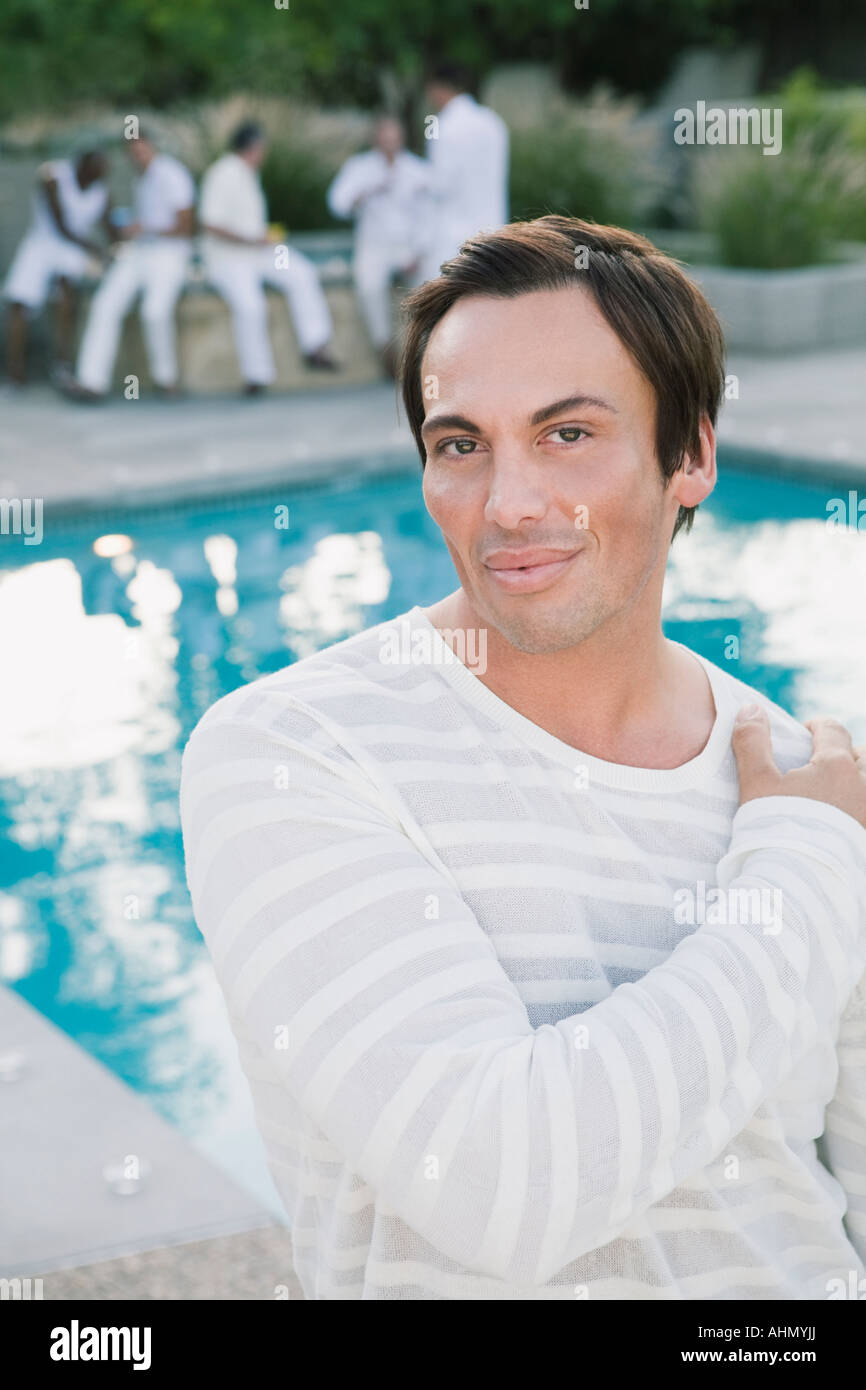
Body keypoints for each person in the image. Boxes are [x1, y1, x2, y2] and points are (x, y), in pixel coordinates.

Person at [180, 216, 866, 1301]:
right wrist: (801, 872)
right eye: (460, 444)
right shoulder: (293, 751)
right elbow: (502, 1190)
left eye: (567, 434)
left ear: (688, 452)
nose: (507, 506)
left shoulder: (795, 776)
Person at [199, 121, 338, 395]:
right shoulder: (222, 173)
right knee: (250, 305)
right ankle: (257, 375)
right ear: (253, 147)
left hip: (258, 252)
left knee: (301, 272)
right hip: (228, 257)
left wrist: (261, 239)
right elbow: (211, 224)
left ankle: (315, 345)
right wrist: (252, 239)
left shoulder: (250, 174)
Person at [60, 132, 195, 401]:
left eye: (141, 149)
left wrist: (144, 227)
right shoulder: (139, 180)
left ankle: (165, 380)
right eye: (132, 151)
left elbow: (186, 227)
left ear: (151, 146)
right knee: (105, 303)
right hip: (140, 251)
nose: (137, 155)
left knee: (154, 310)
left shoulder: (173, 174)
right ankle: (91, 382)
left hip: (170, 253)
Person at [327, 115, 432, 378]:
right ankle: (384, 346)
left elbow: (430, 215)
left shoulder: (417, 169)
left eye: (394, 138)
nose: (389, 143)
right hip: (373, 246)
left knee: (428, 284)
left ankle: (420, 350)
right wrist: (363, 193)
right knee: (369, 286)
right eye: (384, 138)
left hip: (408, 246)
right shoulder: (360, 167)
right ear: (376, 139)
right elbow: (337, 203)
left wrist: (418, 251)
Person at [3, 150, 111, 386]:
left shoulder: (101, 191)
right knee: (19, 304)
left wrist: (119, 247)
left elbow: (110, 225)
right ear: (82, 164)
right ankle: (15, 373)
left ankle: (62, 365)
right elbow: (60, 225)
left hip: (72, 251)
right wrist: (96, 249)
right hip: (41, 243)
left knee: (67, 296)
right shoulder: (54, 177)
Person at [420, 61, 509, 282]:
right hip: (494, 231)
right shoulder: (493, 122)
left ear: (437, 88)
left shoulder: (444, 126)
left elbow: (440, 185)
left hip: (453, 238)